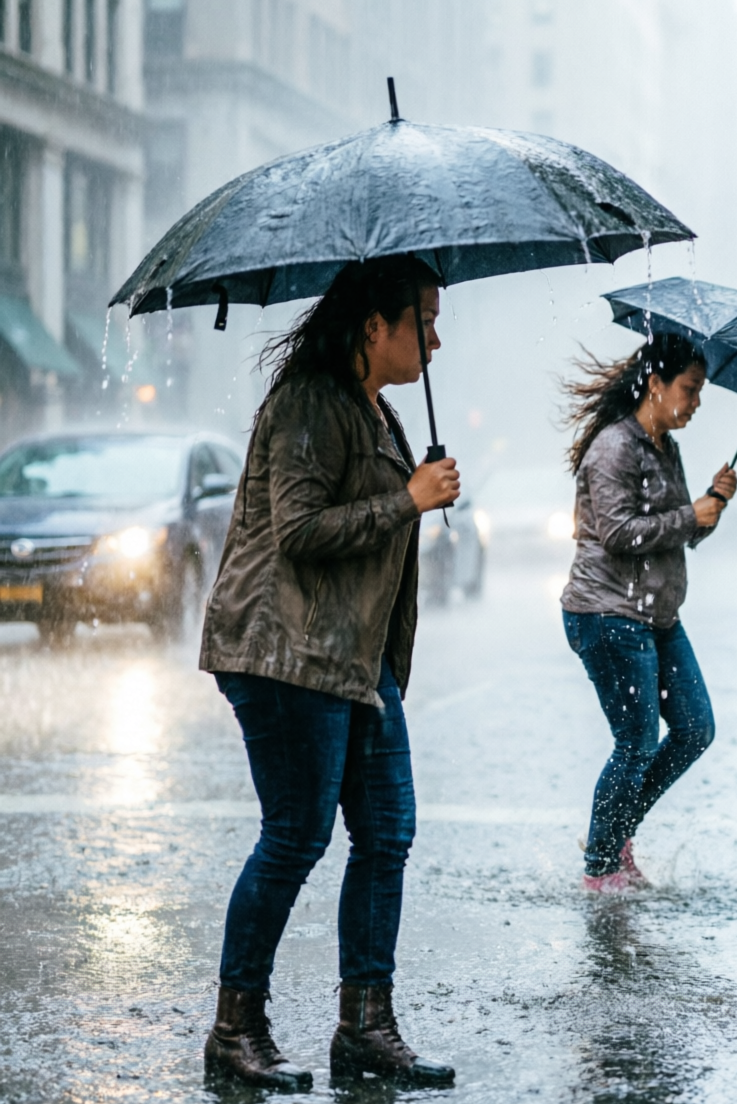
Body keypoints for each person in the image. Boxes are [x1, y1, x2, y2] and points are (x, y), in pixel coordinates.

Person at [197, 257, 459, 1090]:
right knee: (296, 837)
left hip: (354, 657)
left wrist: (414, 495)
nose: (436, 338)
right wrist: (406, 502)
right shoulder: (311, 401)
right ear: (373, 326)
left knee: (388, 833)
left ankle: (365, 1028)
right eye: (424, 319)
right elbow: (299, 531)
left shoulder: (375, 411)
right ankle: (235, 1028)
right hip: (286, 652)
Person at [561, 333, 737, 894]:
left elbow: (678, 535)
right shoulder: (616, 447)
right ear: (655, 384)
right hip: (608, 612)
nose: (696, 402)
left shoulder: (666, 447)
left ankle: (615, 835)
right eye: (690, 389)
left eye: (700, 391)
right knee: (636, 742)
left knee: (694, 728)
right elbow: (617, 534)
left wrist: (714, 504)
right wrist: (692, 514)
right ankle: (601, 869)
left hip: (656, 615)